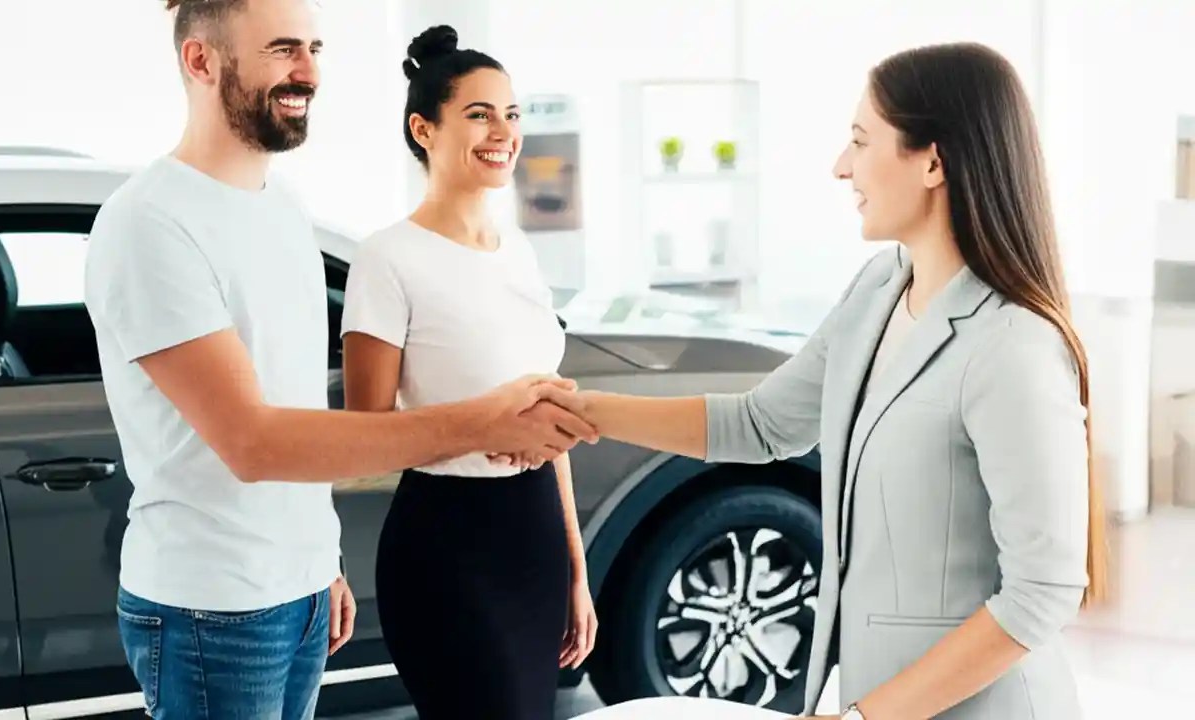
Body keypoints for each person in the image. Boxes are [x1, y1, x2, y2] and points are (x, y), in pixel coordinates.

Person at [539, 42, 1108, 719]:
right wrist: (578, 412)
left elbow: (1041, 594)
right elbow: (761, 424)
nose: (842, 166)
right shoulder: (878, 289)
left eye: (861, 141)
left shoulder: (1014, 346)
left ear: (932, 160)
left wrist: (868, 718)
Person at [83, 2, 596, 718]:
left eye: (314, 48)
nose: (310, 72)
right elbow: (255, 442)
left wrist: (319, 561)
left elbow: (298, 407)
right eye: (283, 50)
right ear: (201, 61)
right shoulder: (149, 223)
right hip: (211, 607)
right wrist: (484, 423)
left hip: (295, 593)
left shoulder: (282, 206)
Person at [339, 25, 598, 720]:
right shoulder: (387, 259)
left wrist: (576, 569)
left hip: (536, 531)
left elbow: (548, 420)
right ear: (424, 129)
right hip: (448, 547)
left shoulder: (518, 251)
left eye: (511, 114)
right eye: (479, 113)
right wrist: (483, 427)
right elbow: (363, 438)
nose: (503, 132)